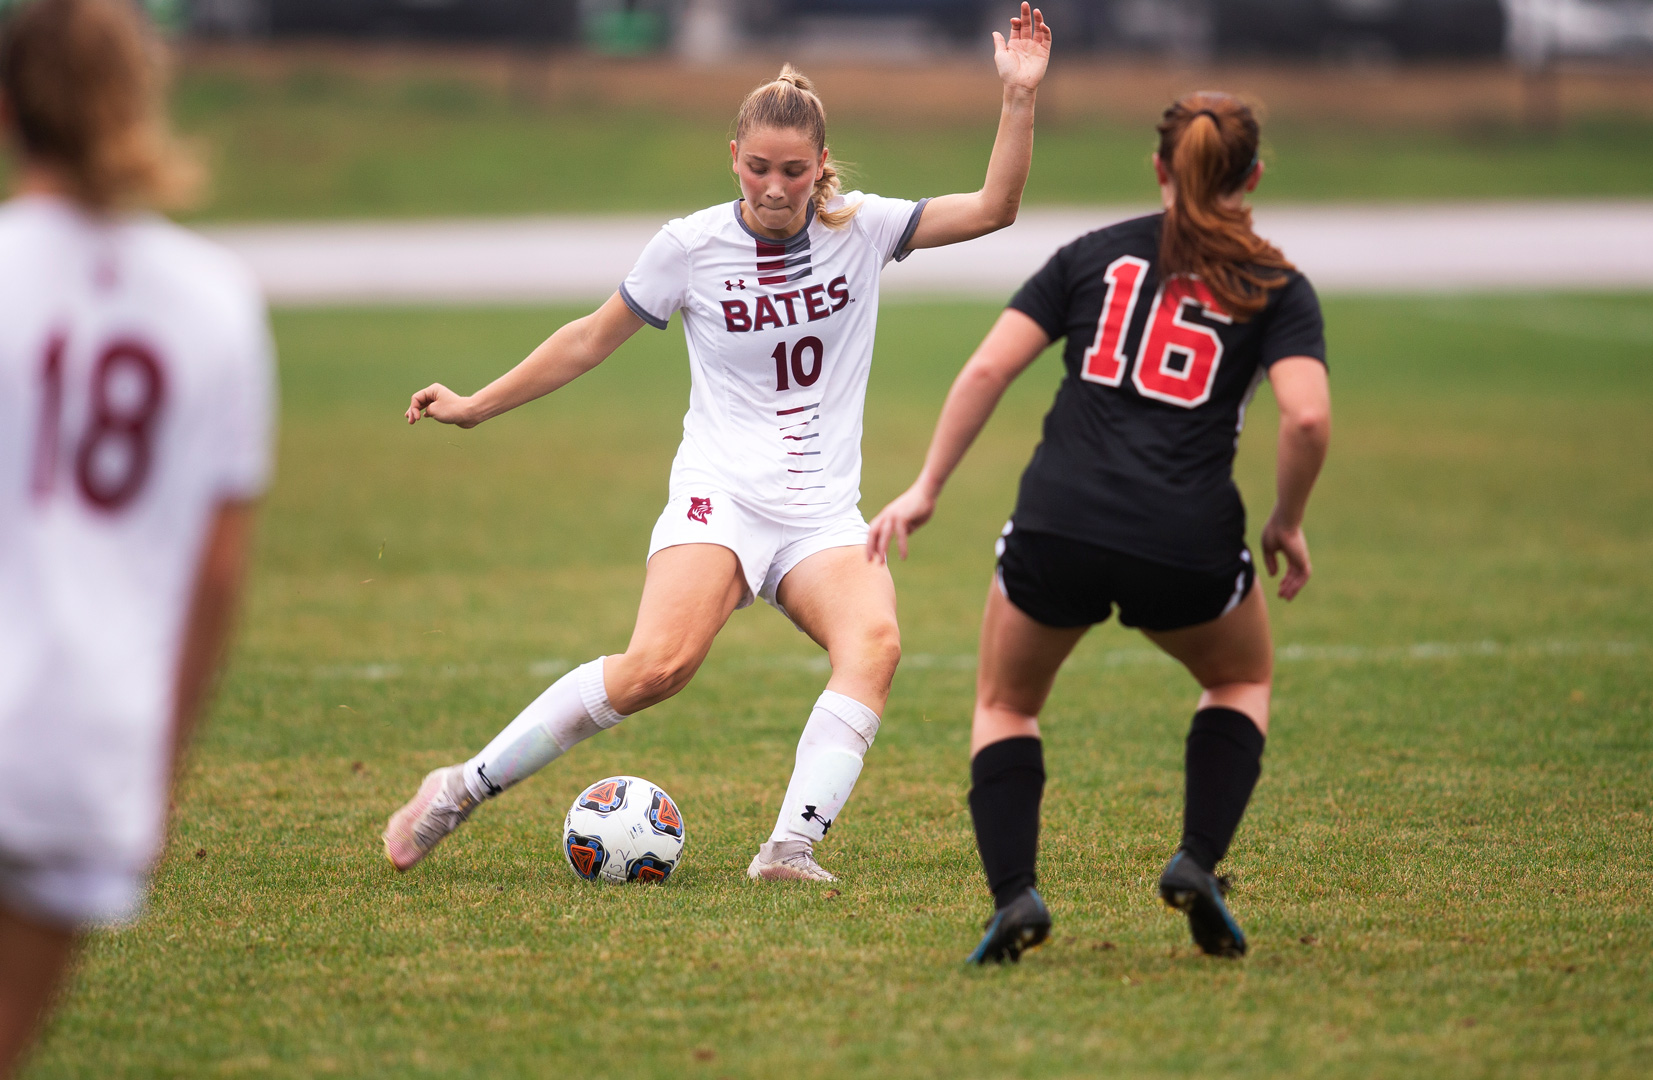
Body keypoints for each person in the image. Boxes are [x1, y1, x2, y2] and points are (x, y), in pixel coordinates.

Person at [384, 7, 1052, 883]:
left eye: (794, 170)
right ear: (734, 157)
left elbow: (997, 208)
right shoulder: (689, 247)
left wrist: (1017, 97)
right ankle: (460, 787)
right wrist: (476, 406)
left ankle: (789, 848)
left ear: (822, 165)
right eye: (759, 167)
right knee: (658, 667)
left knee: (875, 646)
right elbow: (587, 339)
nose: (776, 187)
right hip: (722, 495)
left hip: (822, 513)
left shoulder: (863, 228)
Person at [867, 92, 1331, 962]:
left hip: (1060, 523)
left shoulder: (1091, 255)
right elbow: (1306, 418)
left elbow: (987, 369)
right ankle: (1196, 861)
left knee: (1007, 704)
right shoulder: (1276, 285)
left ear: (1159, 169)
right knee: (1240, 681)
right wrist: (1287, 519)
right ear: (1253, 178)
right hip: (1185, 538)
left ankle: (1014, 897)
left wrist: (928, 485)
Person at [0, 0, 274, 1073]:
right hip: (80, 747)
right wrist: (155, 773)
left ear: (10, 109)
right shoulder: (214, 301)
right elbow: (218, 574)